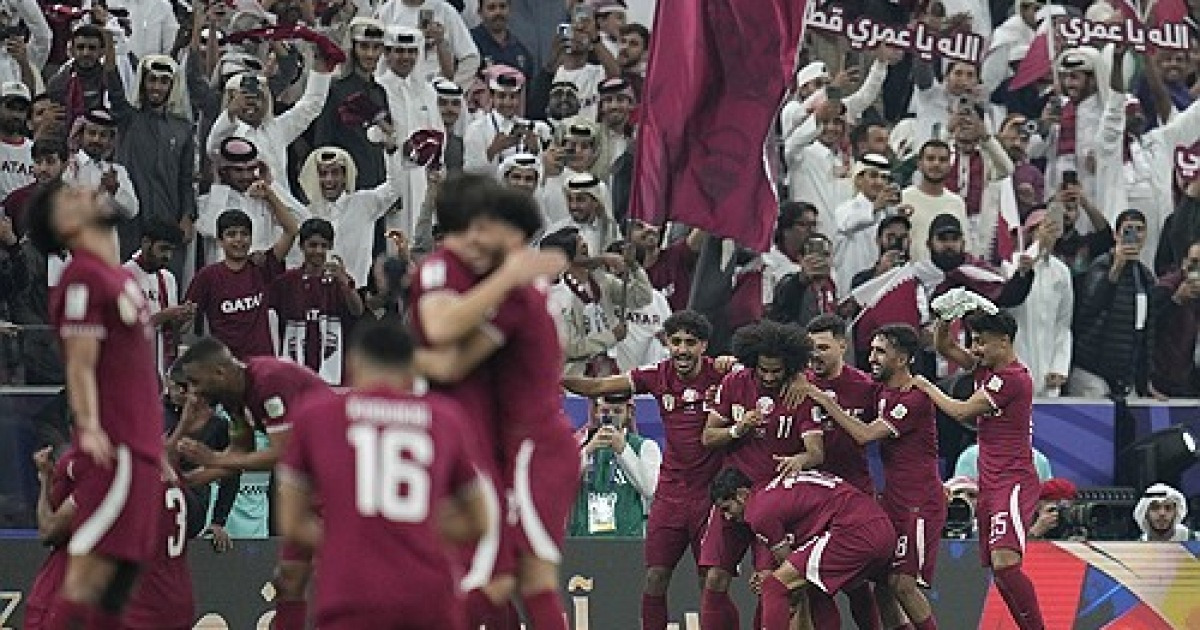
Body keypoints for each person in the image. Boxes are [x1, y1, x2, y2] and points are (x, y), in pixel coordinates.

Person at [416, 179, 577, 630]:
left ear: (513, 236)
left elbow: (450, 360)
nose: (479, 238)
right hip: (515, 446)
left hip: (534, 447)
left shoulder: (517, 294)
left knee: (523, 578)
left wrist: (394, 358)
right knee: (507, 578)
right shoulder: (514, 290)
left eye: (490, 227)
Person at [276, 320, 489, 629]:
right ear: (412, 369)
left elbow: (293, 523)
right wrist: (414, 533)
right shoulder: (446, 418)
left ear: (352, 362)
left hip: (351, 593)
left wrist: (351, 539)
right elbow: (479, 520)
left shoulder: (315, 414)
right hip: (428, 595)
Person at [27, 178, 166, 627]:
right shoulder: (80, 277)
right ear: (64, 225)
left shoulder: (118, 276)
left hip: (142, 448)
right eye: (71, 196)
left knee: (119, 580)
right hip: (117, 446)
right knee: (89, 569)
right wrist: (89, 427)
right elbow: (80, 364)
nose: (85, 192)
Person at [561, 309, 726, 630]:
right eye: (675, 342)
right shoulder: (657, 374)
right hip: (670, 494)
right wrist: (551, 378)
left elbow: (761, 374)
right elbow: (599, 388)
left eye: (690, 343)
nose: (681, 349)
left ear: (703, 346)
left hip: (709, 494)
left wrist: (735, 362)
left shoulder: (723, 374)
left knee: (711, 578)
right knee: (655, 576)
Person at [172, 337, 332, 630]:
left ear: (219, 373)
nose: (194, 391)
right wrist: (191, 480)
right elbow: (240, 452)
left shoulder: (269, 383)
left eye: (196, 381)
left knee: (334, 575)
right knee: (288, 579)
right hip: (311, 482)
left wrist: (214, 460)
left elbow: (284, 452)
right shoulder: (237, 399)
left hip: (336, 476)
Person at [800, 324, 942, 630]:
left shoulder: (913, 398)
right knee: (882, 587)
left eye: (881, 351)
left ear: (902, 358)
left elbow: (864, 435)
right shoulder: (882, 392)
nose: (872, 357)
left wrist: (825, 401)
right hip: (891, 500)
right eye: (872, 350)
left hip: (918, 503)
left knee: (902, 584)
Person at [915, 309, 1047, 630]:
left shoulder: (1012, 378)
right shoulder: (986, 367)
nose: (975, 349)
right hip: (989, 480)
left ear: (1004, 342)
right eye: (973, 341)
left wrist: (926, 386)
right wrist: (947, 315)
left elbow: (960, 411)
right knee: (1000, 575)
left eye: (981, 342)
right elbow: (944, 346)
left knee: (1006, 564)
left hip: (1013, 480)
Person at [698, 320, 823, 630]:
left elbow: (816, 452)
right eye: (763, 369)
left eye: (776, 371)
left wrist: (799, 460)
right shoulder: (734, 383)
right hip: (733, 497)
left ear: (789, 366)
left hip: (775, 504)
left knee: (768, 584)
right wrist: (738, 429)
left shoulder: (800, 391)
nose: (768, 376)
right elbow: (708, 437)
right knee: (714, 577)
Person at [710, 467, 895, 630]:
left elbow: (786, 565)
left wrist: (775, 581)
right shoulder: (775, 490)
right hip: (882, 526)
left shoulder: (758, 511)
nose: (727, 517)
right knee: (851, 588)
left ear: (742, 495)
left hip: (852, 531)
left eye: (727, 508)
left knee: (774, 586)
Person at [186, 167, 300, 359]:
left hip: (262, 364)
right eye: (231, 235)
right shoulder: (208, 276)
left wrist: (269, 195)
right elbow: (187, 319)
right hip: (226, 368)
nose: (239, 240)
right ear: (220, 241)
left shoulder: (262, 266)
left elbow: (291, 230)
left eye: (244, 234)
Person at [272, 218, 364, 384]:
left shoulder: (340, 280)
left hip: (333, 373)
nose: (318, 251)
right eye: (313, 245)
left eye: (324, 245)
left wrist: (345, 283)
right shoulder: (286, 282)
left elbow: (357, 310)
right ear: (301, 246)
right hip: (295, 371)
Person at [569, 393, 660, 537]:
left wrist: (623, 450)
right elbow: (561, 484)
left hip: (627, 538)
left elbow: (650, 490)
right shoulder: (579, 444)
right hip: (583, 538)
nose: (610, 416)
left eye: (617, 411)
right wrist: (588, 450)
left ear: (629, 413)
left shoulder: (645, 447)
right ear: (596, 412)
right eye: (605, 411)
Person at [123, 220, 193, 383]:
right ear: (146, 243)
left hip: (162, 367)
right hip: (130, 365)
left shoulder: (168, 278)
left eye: (171, 251)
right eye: (163, 249)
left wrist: (182, 319)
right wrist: (165, 315)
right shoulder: (124, 276)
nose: (168, 256)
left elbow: (173, 332)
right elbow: (124, 327)